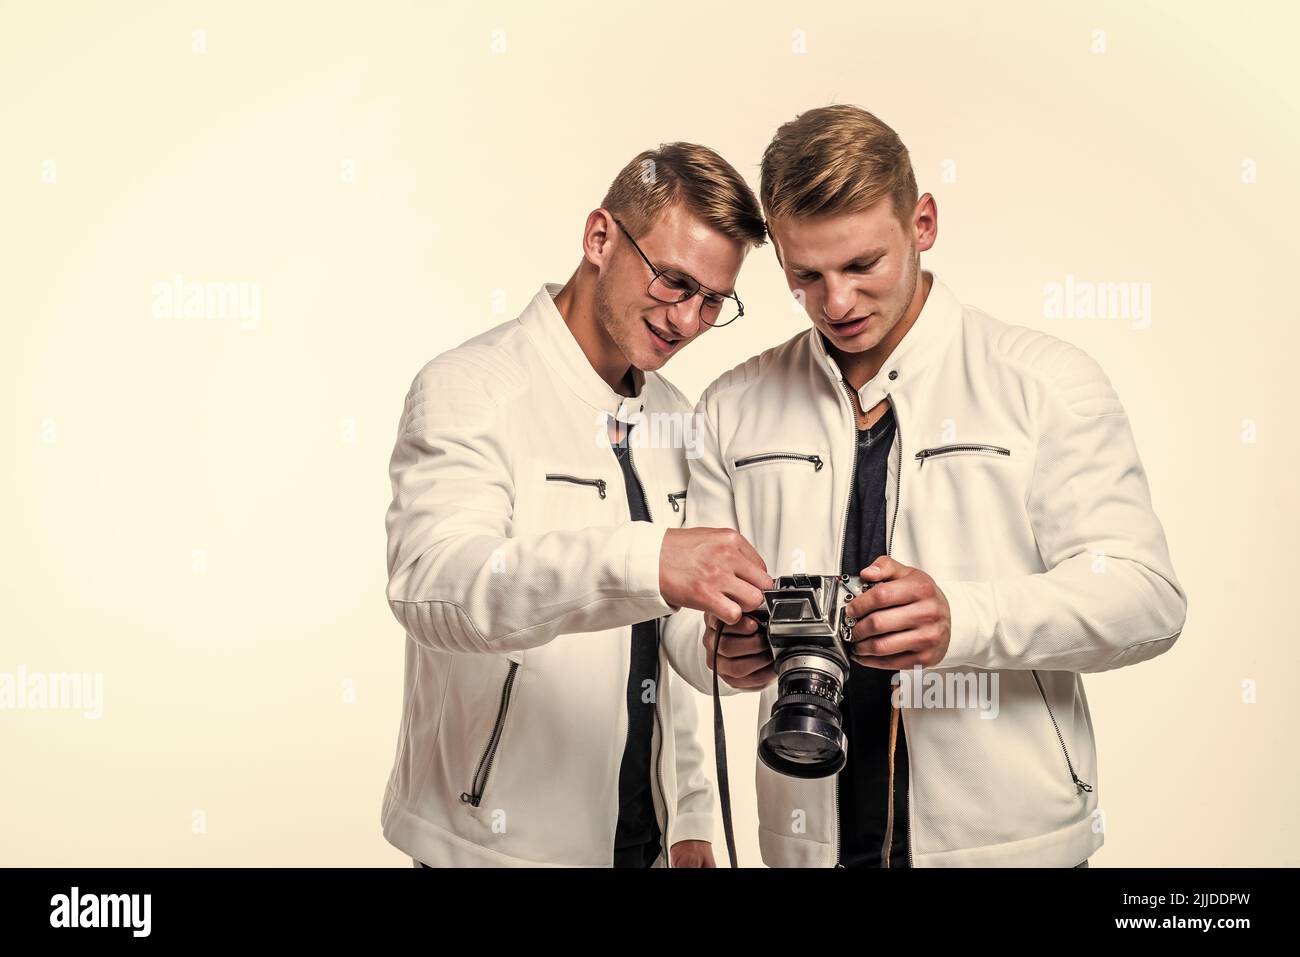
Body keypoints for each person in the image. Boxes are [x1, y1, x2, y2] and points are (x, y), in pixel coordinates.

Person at [663, 105, 1188, 867]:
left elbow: (1148, 597)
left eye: (861, 265)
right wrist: (718, 647)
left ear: (924, 222)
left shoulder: (1045, 382)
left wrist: (964, 619)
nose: (836, 303)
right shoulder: (731, 405)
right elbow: (684, 621)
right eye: (805, 275)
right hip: (807, 843)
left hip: (1009, 849)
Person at [381, 142, 772, 867]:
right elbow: (432, 584)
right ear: (600, 237)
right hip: (494, 846)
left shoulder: (678, 415)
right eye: (673, 281)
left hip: (647, 845)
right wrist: (647, 557)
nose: (687, 320)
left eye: (713, 300)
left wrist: (692, 802)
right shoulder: (469, 387)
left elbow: (667, 637)